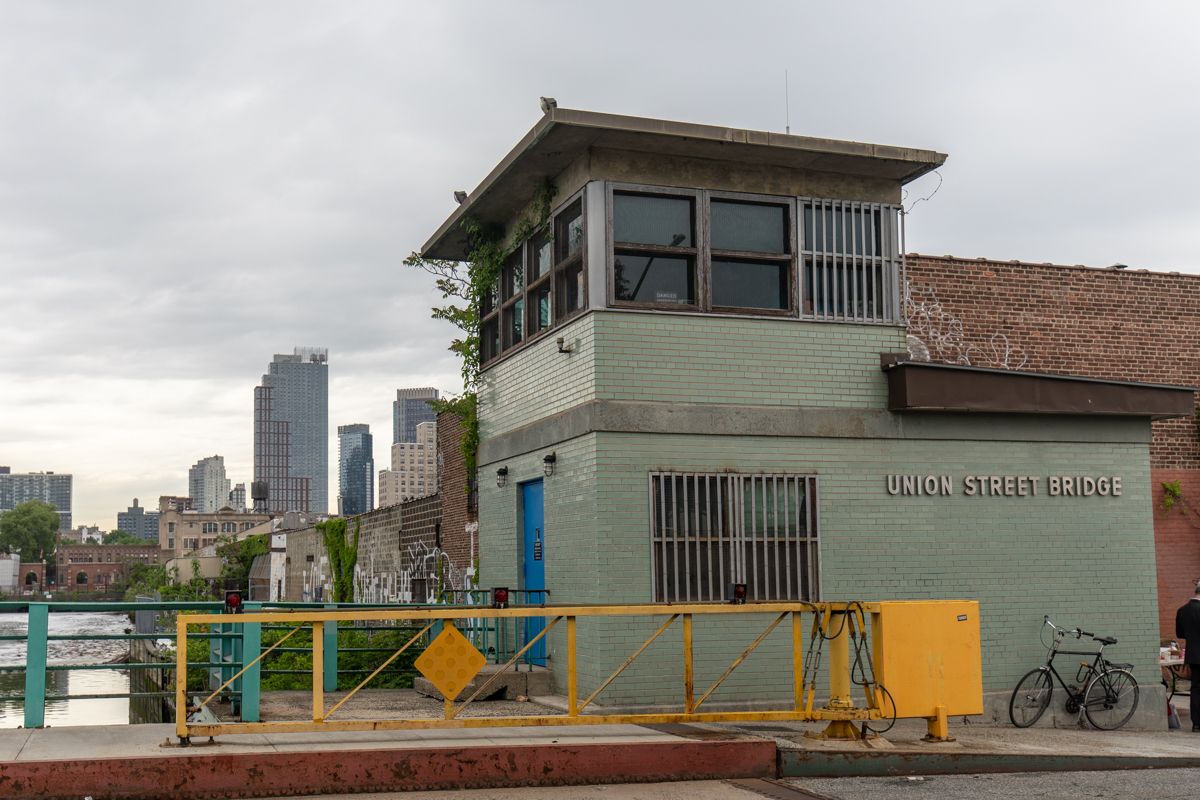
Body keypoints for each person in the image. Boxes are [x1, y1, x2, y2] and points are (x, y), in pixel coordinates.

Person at [1175, 581, 1200, 731]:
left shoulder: (1182, 610)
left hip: (1193, 656)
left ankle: (1196, 723)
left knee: (1195, 688)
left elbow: (1180, 634)